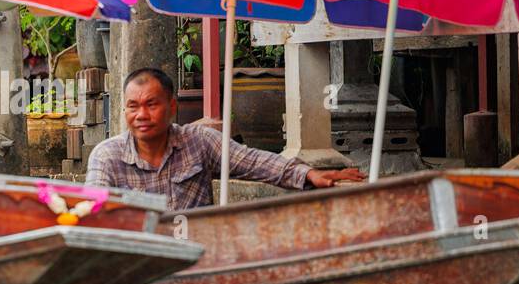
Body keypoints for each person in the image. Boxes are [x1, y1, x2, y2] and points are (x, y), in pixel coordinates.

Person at [85, 67, 364, 210]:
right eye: (133, 106)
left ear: (172, 107)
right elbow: (90, 210)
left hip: (198, 257)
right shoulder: (106, 156)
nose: (141, 114)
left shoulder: (199, 141)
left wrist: (308, 174)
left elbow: (254, 161)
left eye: (151, 104)